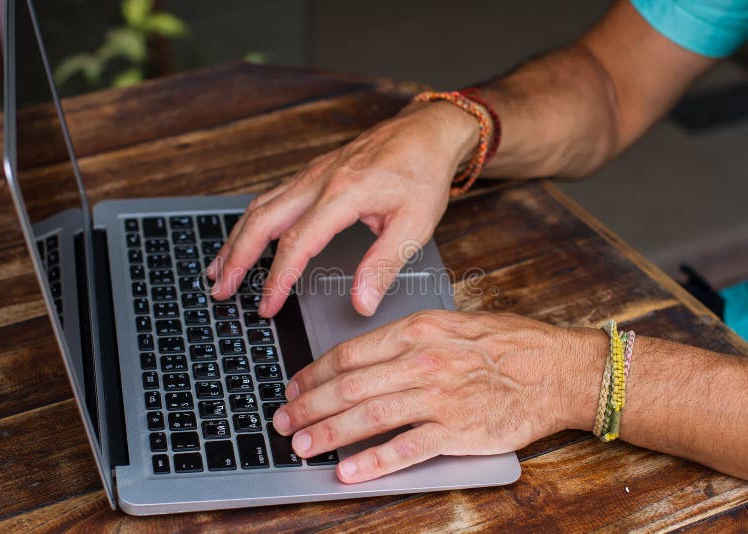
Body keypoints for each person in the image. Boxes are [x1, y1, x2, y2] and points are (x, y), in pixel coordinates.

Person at [208, 0, 748, 483]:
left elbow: (573, 377)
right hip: (713, 331)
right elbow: (612, 81)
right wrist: (454, 126)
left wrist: (574, 376)